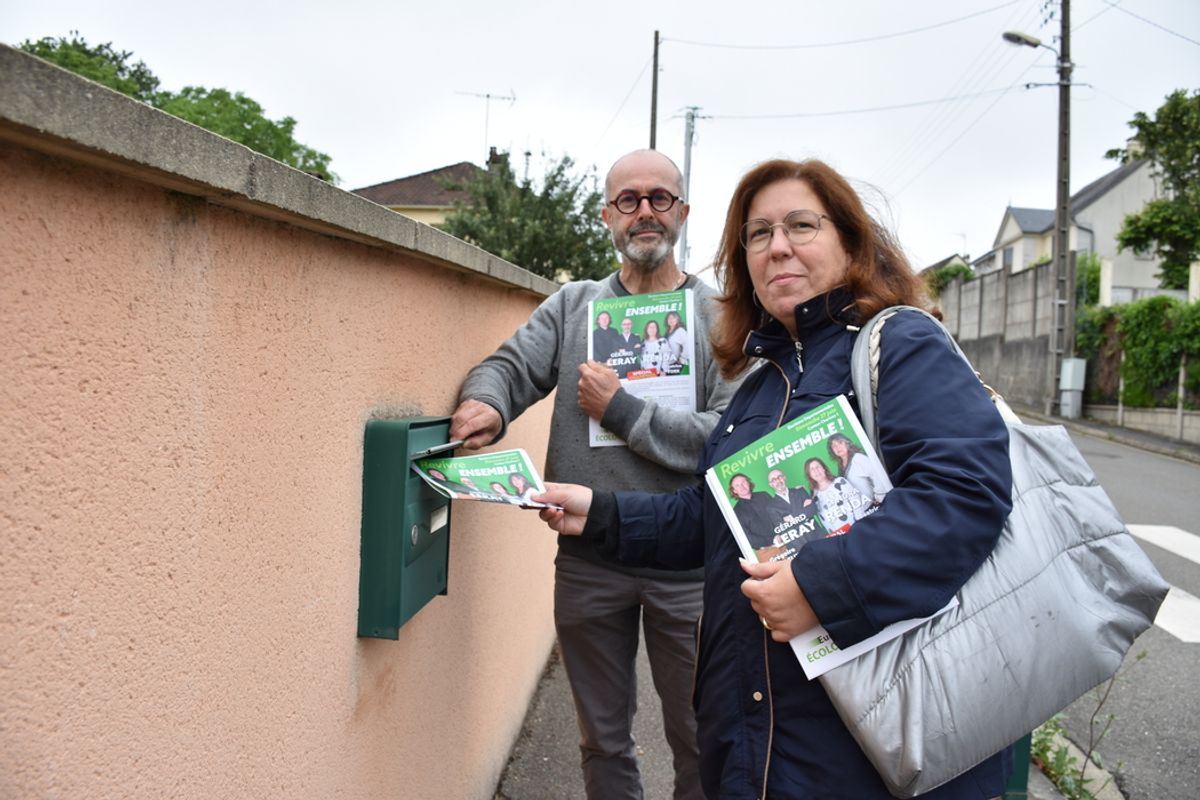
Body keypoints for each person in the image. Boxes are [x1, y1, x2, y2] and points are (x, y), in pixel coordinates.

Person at [535, 158, 1013, 798]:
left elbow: (963, 496)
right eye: (758, 234)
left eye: (800, 225)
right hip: (763, 742)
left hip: (871, 743)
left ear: (850, 241)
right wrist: (601, 511)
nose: (777, 246)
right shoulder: (762, 386)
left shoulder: (899, 344)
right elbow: (717, 517)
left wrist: (817, 585)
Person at [449, 149, 745, 800]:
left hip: (689, 567)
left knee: (701, 737)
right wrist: (488, 404)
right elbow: (508, 366)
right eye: (629, 199)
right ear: (606, 215)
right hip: (590, 559)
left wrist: (622, 409)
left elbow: (728, 441)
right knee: (601, 742)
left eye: (660, 198)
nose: (645, 212)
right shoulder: (573, 306)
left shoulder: (721, 317)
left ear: (683, 212)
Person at [762, 467, 826, 558]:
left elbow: (813, 509)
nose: (778, 481)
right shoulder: (771, 507)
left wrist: (790, 517)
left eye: (779, 477)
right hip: (798, 548)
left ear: (784, 478)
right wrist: (803, 510)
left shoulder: (799, 491)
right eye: (774, 480)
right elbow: (783, 528)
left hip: (818, 538)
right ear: (771, 484)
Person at [804, 456, 870, 535]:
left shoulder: (840, 482)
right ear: (810, 475)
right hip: (838, 538)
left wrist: (861, 527)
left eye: (817, 467)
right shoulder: (814, 496)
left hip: (857, 530)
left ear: (823, 468)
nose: (816, 471)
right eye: (812, 469)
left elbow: (857, 505)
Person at [828, 432, 889, 505]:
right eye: (834, 446)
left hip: (876, 505)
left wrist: (879, 499)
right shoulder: (840, 467)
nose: (838, 447)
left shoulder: (858, 458)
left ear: (847, 443)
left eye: (840, 443)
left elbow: (878, 476)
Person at [663, 309, 692, 374]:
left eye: (673, 318)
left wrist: (682, 357)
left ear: (677, 319)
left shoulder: (680, 330)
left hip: (675, 363)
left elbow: (688, 344)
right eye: (669, 318)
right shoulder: (667, 331)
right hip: (667, 362)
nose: (671, 320)